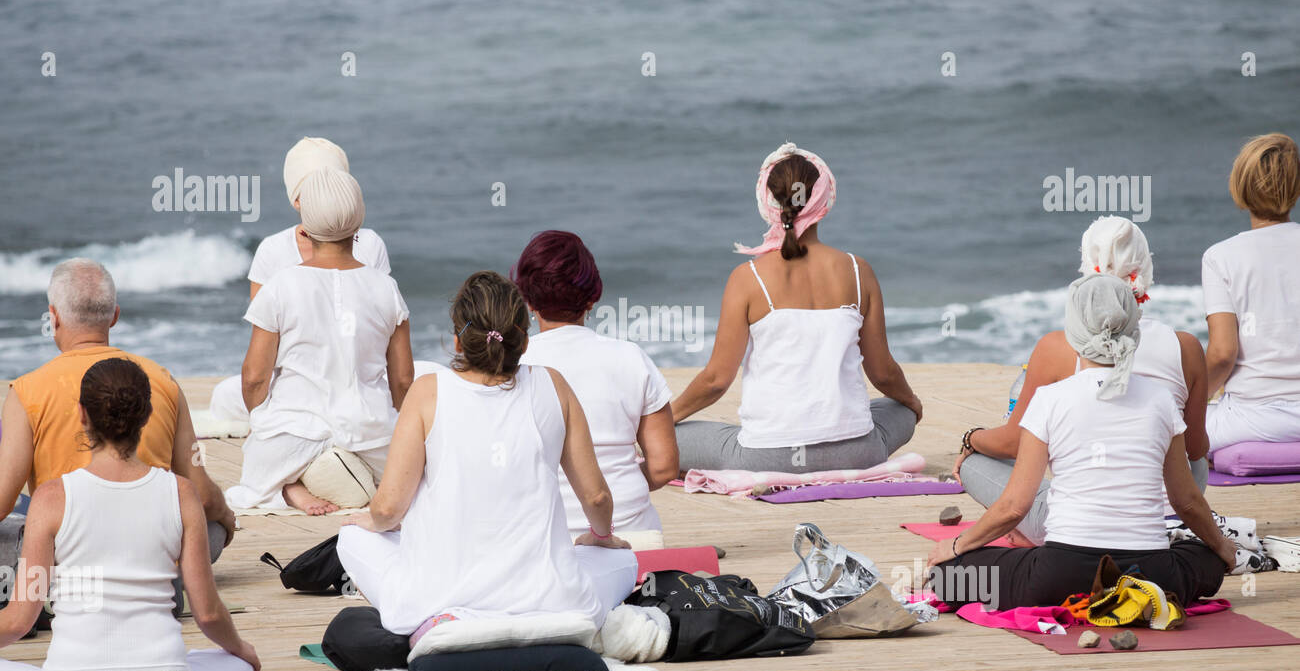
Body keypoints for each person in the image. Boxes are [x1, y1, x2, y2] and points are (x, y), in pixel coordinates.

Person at [337, 271, 638, 637]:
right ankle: (525, 619)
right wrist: (601, 536)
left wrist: (373, 521)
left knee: (351, 537)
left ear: (458, 342)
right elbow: (596, 496)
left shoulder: (427, 392)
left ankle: (449, 621)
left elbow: (388, 509)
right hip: (552, 600)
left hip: (436, 597)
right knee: (623, 559)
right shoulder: (553, 384)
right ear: (524, 342)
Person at [927, 275, 1237, 611]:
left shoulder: (1050, 399)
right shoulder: (1161, 399)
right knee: (1204, 557)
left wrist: (956, 546)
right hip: (1152, 574)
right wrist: (1221, 547)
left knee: (949, 576)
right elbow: (1186, 500)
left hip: (1060, 573)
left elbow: (1014, 506)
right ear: (1135, 333)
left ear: (1072, 336)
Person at [0, 358, 258, 671]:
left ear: (81, 415)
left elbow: (19, 621)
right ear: (148, 414)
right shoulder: (182, 493)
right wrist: (243, 652)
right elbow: (208, 614)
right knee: (237, 666)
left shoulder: (53, 498)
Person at [955, 217, 1210, 544]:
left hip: (1080, 528)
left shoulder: (1056, 347)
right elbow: (1196, 447)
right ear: (1145, 270)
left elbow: (1013, 442)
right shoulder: (1186, 346)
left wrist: (971, 438)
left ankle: (1032, 530)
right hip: (1166, 514)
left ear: (1085, 270)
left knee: (977, 463)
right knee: (1194, 459)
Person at [673, 142, 922, 472]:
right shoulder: (858, 270)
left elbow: (716, 380)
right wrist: (913, 404)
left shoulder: (747, 279)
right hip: (859, 452)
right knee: (900, 409)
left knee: (668, 436)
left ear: (767, 203)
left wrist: (665, 419)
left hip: (766, 458)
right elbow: (883, 373)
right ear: (825, 200)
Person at [0, 259, 235, 562]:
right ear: (114, 316)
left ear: (53, 317)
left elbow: (3, 501)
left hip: (65, 554)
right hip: (149, 549)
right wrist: (227, 516)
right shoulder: (163, 381)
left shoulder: (26, 391)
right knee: (212, 528)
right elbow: (202, 495)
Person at [224, 168, 413, 514]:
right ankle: (341, 475)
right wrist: (400, 429)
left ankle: (289, 486)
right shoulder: (385, 288)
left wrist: (261, 422)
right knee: (411, 482)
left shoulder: (280, 285)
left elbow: (253, 377)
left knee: (254, 476)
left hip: (292, 435)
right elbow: (402, 380)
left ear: (305, 225)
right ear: (358, 224)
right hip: (369, 434)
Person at [208, 136, 393, 422]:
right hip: (301, 379)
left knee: (431, 373)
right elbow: (265, 348)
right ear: (296, 199)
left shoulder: (371, 244)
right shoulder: (273, 250)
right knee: (224, 396)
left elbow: (382, 336)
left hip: (356, 378)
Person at [512, 230, 678, 536]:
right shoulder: (631, 358)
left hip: (542, 538)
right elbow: (663, 467)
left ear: (528, 300)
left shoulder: (512, 365)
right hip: (632, 535)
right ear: (592, 297)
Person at [1202, 133, 1300, 452]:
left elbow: (1221, 355)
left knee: (1165, 430)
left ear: (1240, 186)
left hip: (1250, 420)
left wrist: (1192, 401)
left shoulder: (1220, 257)